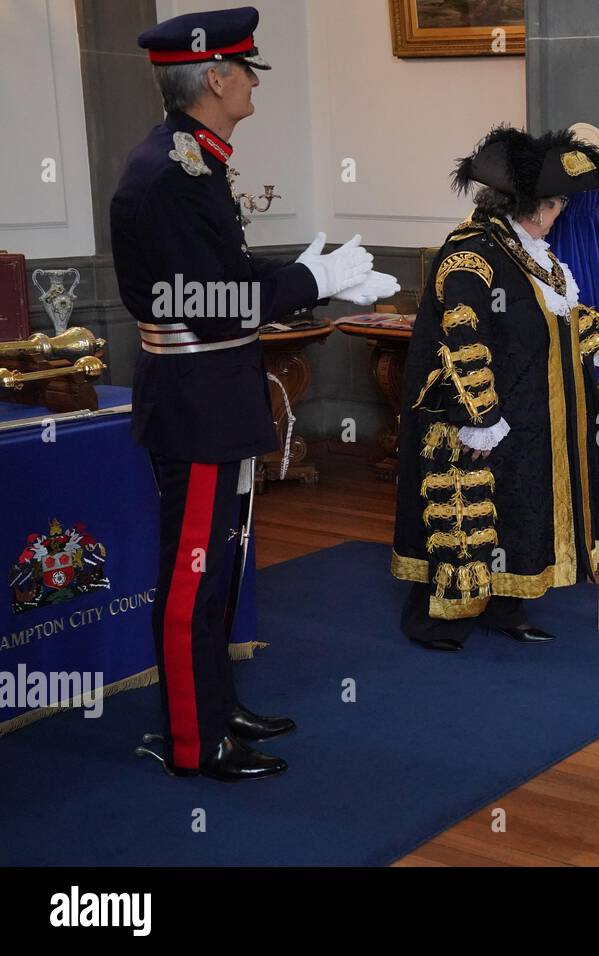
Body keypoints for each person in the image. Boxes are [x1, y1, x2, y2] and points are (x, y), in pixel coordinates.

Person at [112, 6, 398, 780]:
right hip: (197, 404)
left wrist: (300, 275)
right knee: (191, 576)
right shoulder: (171, 173)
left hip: (219, 395)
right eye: (247, 70)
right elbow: (204, 303)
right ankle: (191, 741)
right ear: (215, 76)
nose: (253, 84)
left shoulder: (193, 160)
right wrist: (316, 279)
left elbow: (223, 284)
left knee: (223, 570)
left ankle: (217, 705)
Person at [392, 126, 599, 650]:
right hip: (477, 414)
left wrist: (596, 337)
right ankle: (438, 619)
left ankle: (505, 604)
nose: (562, 210)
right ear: (533, 206)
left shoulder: (527, 251)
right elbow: (461, 337)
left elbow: (541, 317)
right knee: (463, 514)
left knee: (518, 506)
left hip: (528, 409)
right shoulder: (471, 255)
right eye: (556, 202)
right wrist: (478, 416)